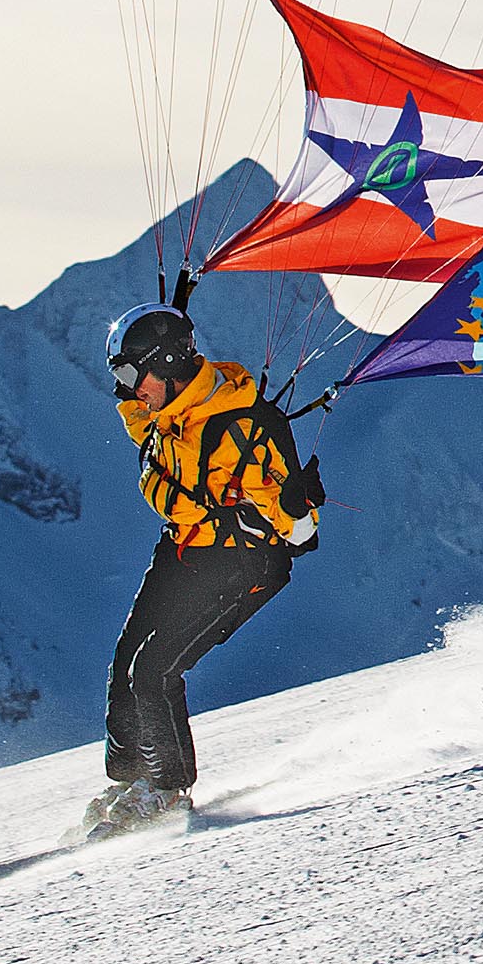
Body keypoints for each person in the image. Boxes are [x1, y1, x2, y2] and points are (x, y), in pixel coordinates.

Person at [88, 301, 316, 839]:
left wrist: (296, 506)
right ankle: (130, 781)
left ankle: (166, 790)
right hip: (185, 551)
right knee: (126, 663)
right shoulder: (167, 415)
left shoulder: (243, 428)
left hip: (242, 563)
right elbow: (140, 420)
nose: (125, 389)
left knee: (155, 671)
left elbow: (301, 535)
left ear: (165, 365)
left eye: (128, 374)